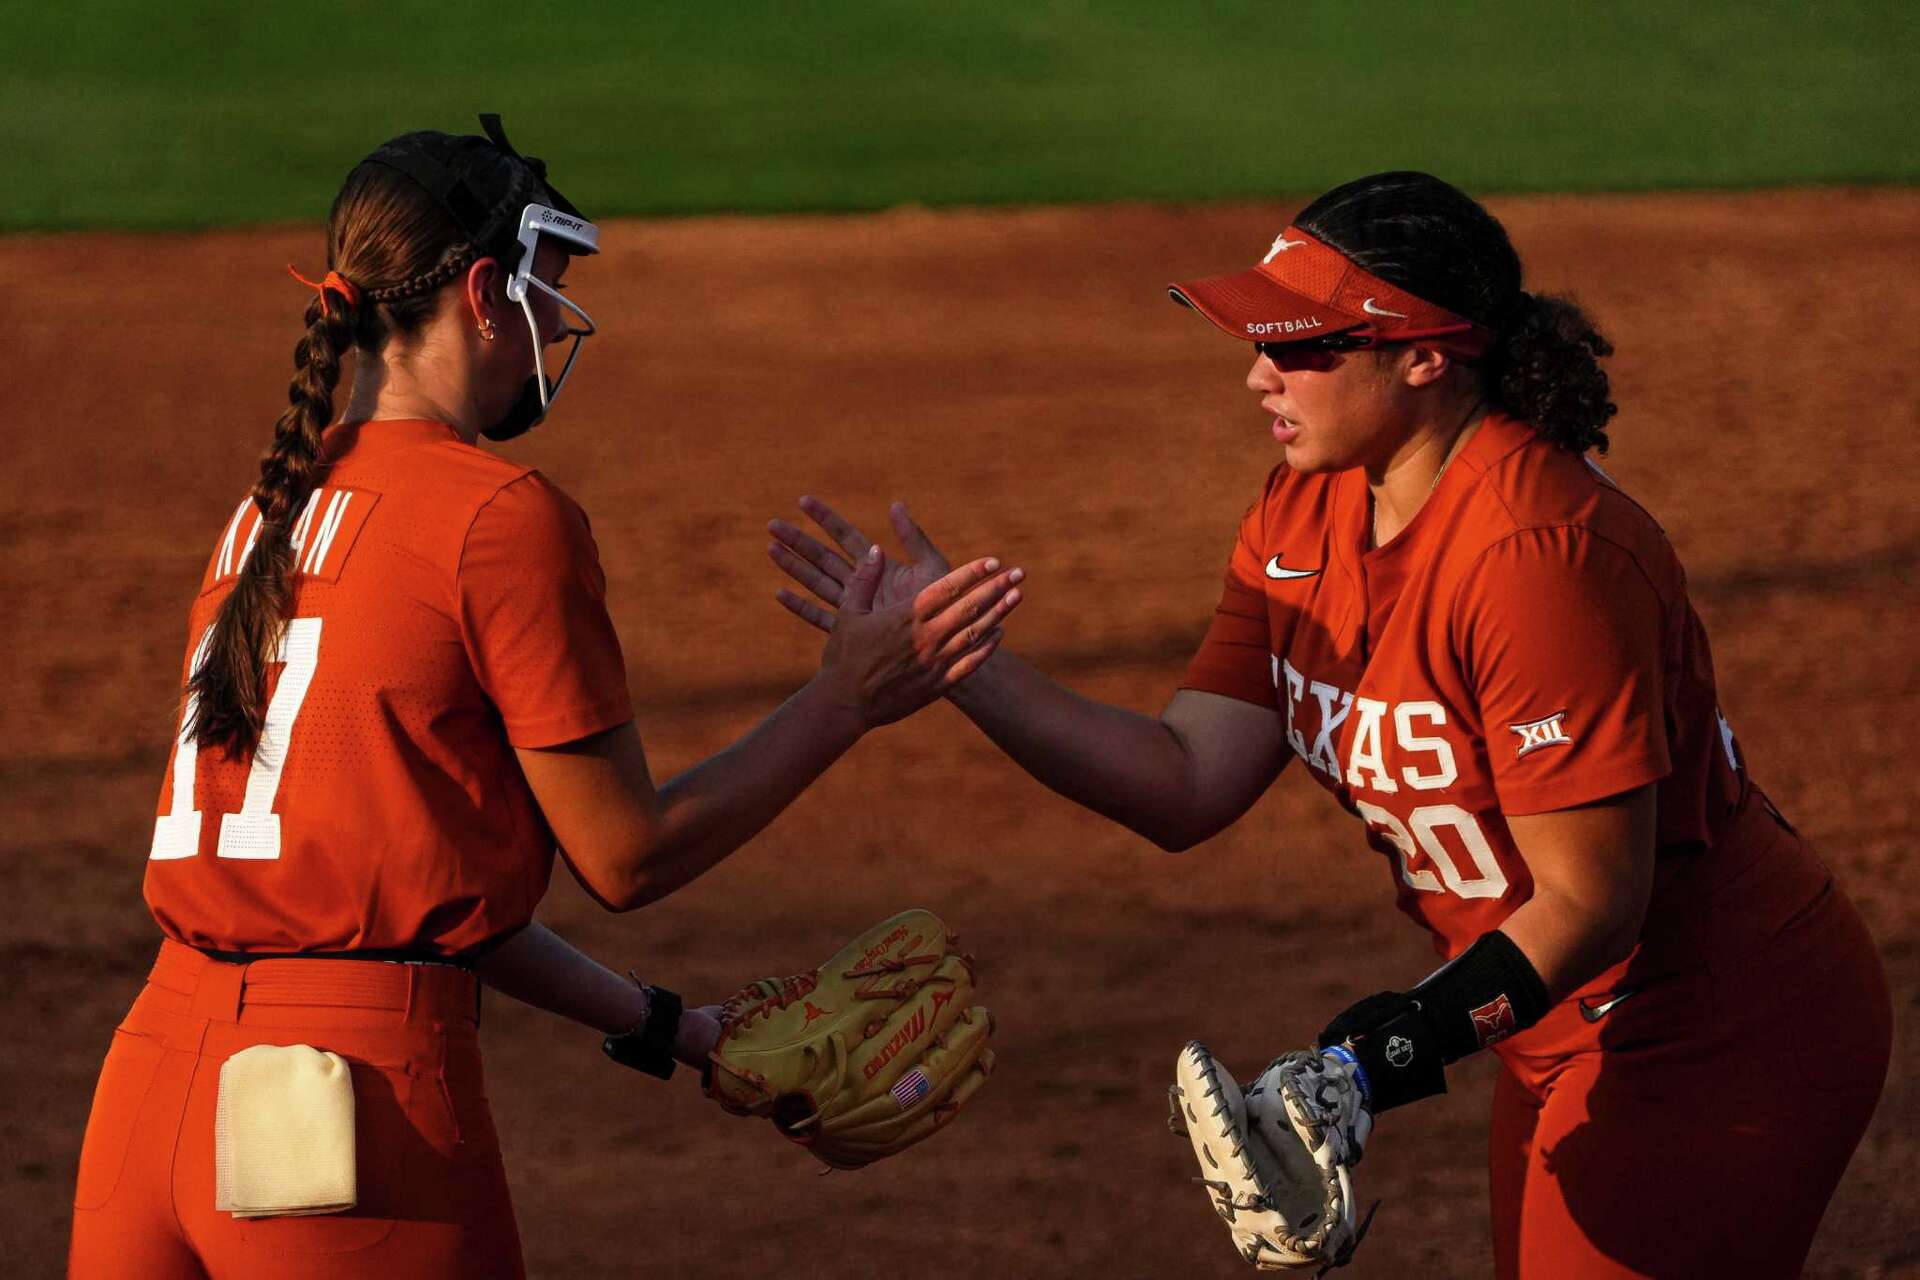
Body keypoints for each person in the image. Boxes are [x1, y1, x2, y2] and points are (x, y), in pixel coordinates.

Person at [766, 171, 1892, 1278]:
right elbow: (1186, 779)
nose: (1261, 374)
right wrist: (963, 663)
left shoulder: (1533, 557)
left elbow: (1596, 895)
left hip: (1715, 1024)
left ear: (1424, 353)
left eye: (1303, 347)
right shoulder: (1301, 508)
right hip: (1547, 1027)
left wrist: (1384, 1051)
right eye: (1261, 342)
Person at [69, 117, 1022, 1280]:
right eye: (545, 293)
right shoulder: (499, 514)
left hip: (148, 1097)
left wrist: (674, 1027)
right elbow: (626, 855)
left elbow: (414, 898)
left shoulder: (268, 512)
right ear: (483, 290)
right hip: (344, 1127)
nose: (551, 332)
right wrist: (848, 697)